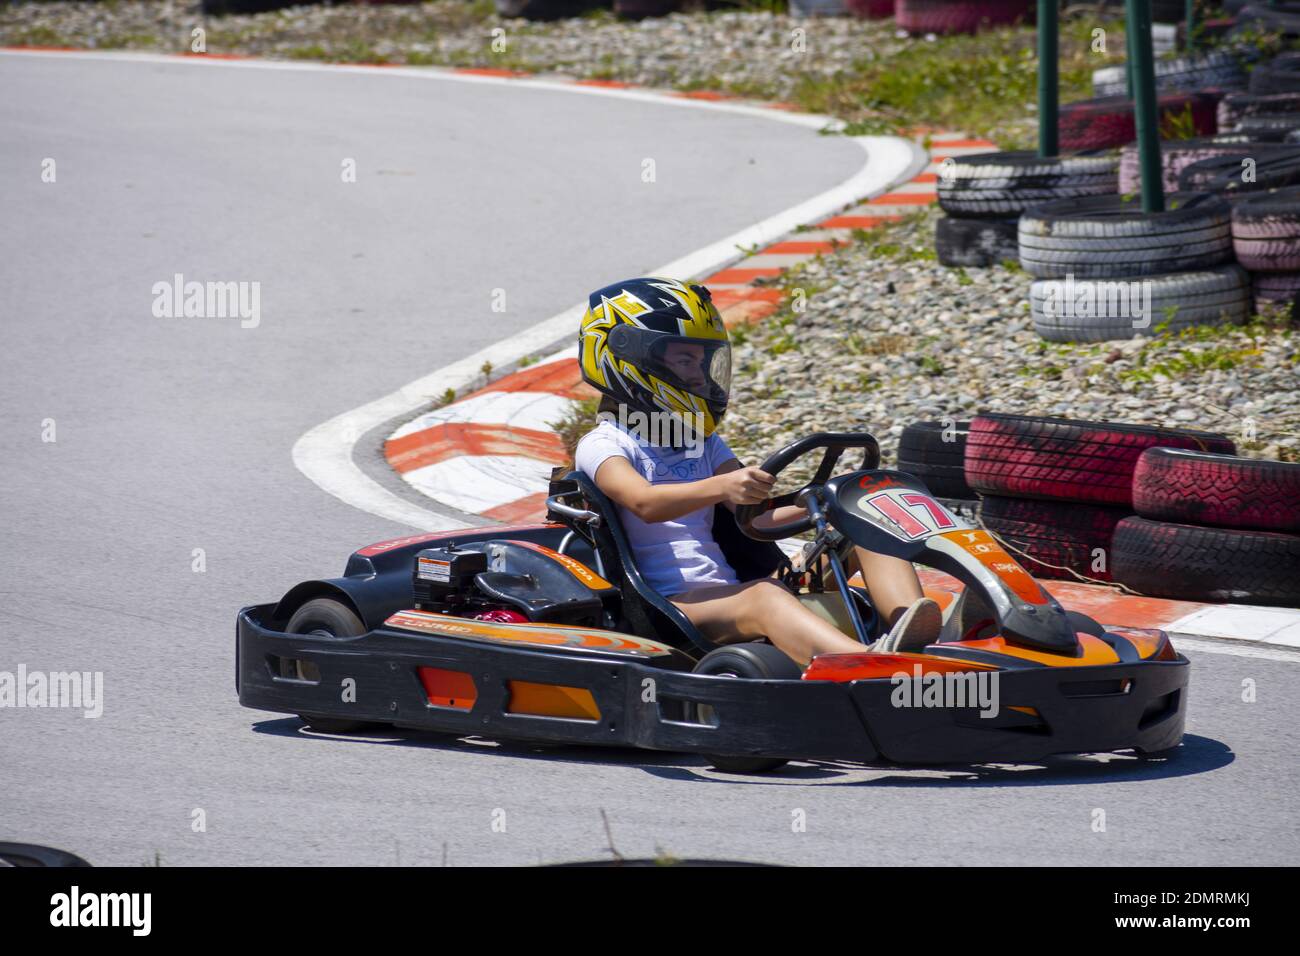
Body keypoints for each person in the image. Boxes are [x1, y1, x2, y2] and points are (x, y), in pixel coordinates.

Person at [574, 276, 941, 667]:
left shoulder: (703, 442)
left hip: (732, 590)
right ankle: (868, 664)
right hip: (672, 606)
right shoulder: (604, 445)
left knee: (867, 528)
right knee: (766, 596)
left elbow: (758, 520)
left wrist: (822, 504)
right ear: (628, 358)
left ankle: (911, 633)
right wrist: (723, 486)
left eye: (701, 361)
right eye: (684, 360)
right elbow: (644, 502)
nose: (698, 375)